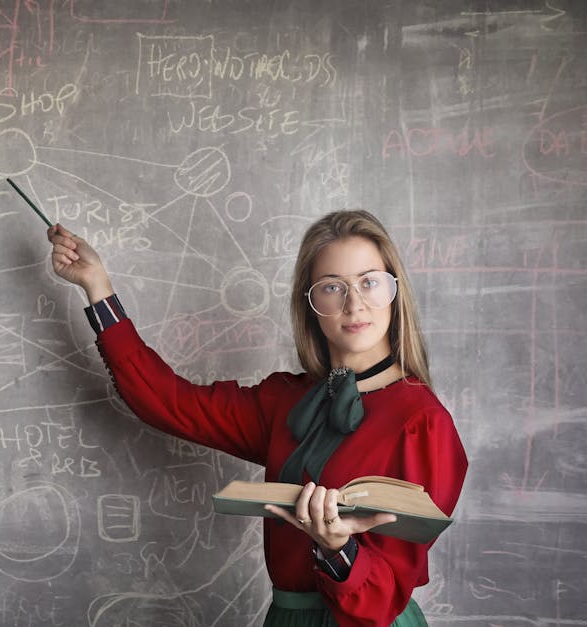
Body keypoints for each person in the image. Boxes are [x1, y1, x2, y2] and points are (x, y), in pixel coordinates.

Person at [46, 210, 467, 626]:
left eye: (370, 282)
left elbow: (382, 600)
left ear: (395, 292)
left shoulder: (423, 421)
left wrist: (338, 549)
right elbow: (166, 402)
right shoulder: (284, 400)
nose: (354, 303)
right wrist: (98, 288)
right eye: (332, 287)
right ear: (310, 303)